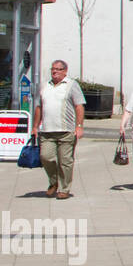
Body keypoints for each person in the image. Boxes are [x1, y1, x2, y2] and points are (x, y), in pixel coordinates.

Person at [33, 60, 85, 199]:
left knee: (65, 161)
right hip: (47, 131)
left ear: (65, 71)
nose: (54, 71)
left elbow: (79, 106)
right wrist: (35, 126)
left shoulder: (72, 85)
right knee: (46, 157)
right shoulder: (45, 86)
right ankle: (54, 182)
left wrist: (79, 126)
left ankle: (64, 188)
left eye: (58, 69)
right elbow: (39, 107)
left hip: (66, 131)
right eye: (53, 69)